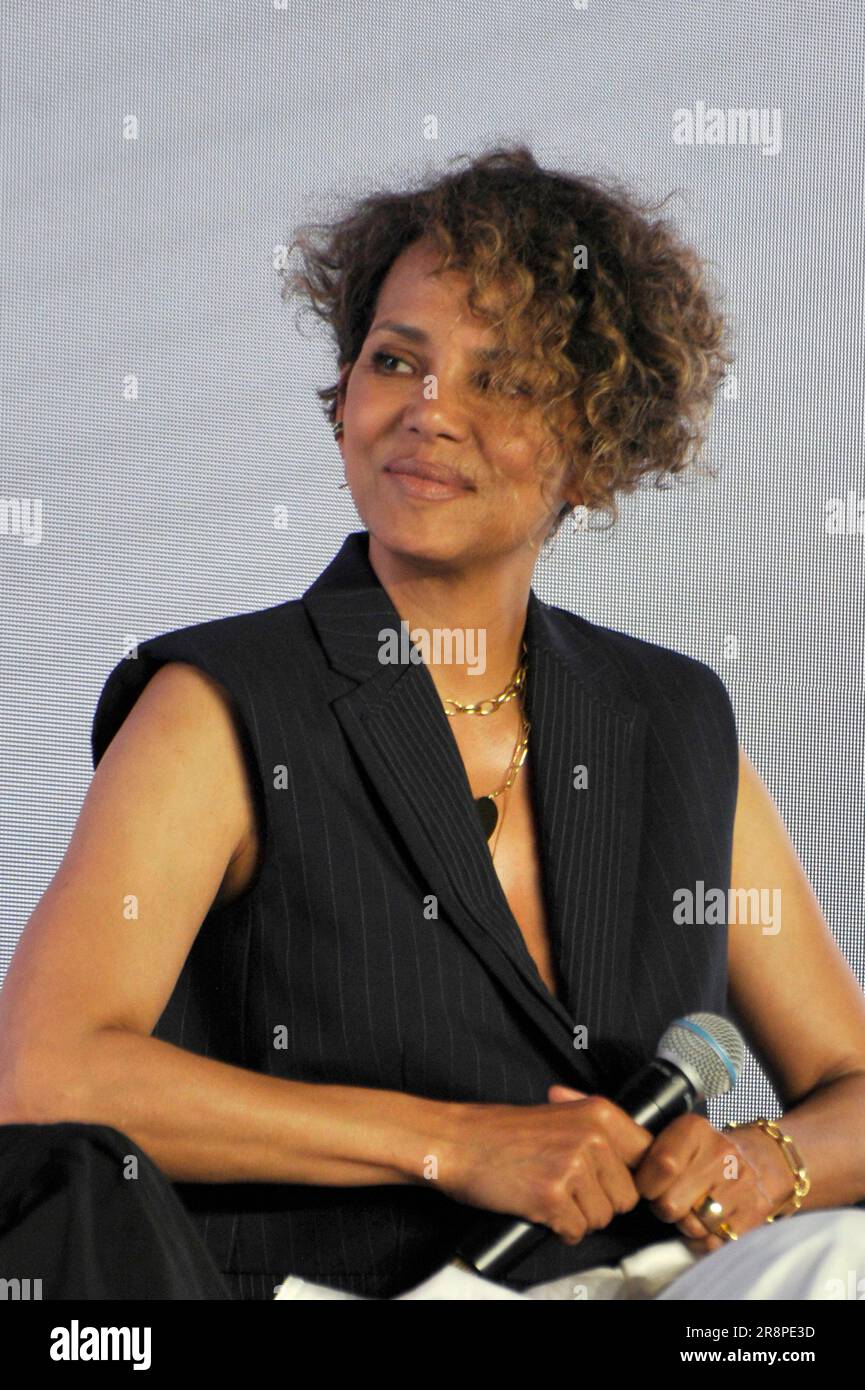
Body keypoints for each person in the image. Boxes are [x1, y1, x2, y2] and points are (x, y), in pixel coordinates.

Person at [2, 145, 865, 1303]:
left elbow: (850, 1078)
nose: (425, 410)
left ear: (594, 441)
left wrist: (770, 1162)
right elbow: (42, 1074)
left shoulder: (670, 716)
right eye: (395, 360)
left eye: (499, 380)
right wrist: (457, 1142)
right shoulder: (220, 701)